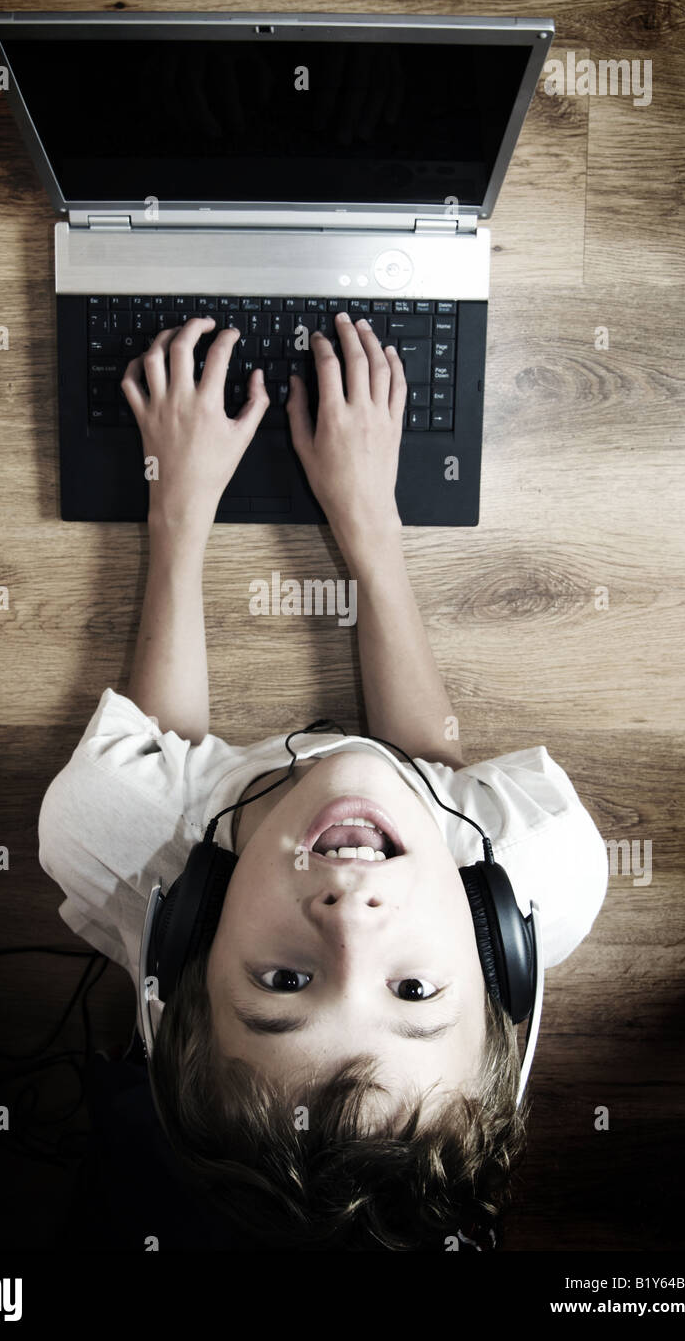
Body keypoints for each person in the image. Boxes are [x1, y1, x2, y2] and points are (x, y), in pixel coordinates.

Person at [38, 313, 609, 1249]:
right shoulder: (543, 860)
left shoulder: (129, 838)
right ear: (491, 945)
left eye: (285, 979)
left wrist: (178, 503)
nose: (352, 911)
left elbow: (165, 746)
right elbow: (433, 779)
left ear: (188, 934)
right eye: (415, 993)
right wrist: (368, 521)